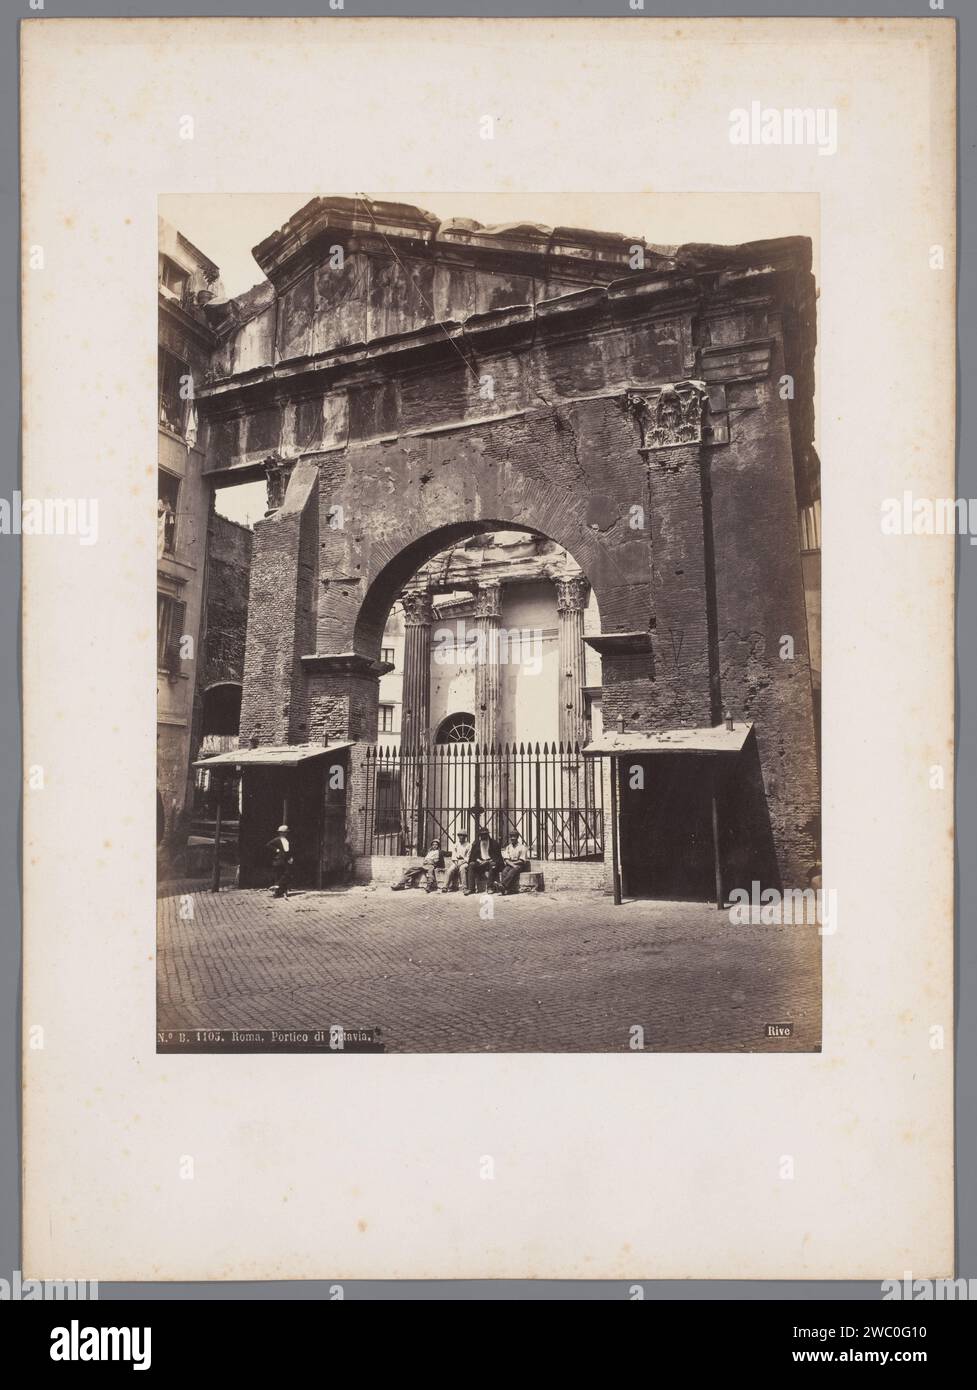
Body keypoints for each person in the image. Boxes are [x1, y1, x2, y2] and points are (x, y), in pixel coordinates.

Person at [464, 826, 503, 895]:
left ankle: (490, 887)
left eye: (485, 835)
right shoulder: (476, 844)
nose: (483, 836)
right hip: (480, 863)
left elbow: (498, 857)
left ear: (488, 835)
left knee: (493, 865)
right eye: (481, 835)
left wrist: (489, 861)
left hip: (490, 863)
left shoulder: (494, 843)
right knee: (471, 865)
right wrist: (479, 861)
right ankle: (471, 888)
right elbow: (472, 857)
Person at [266, 824, 293, 899]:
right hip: (279, 859)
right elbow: (268, 845)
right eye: (282, 832)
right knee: (278, 874)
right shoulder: (277, 839)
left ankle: (280, 887)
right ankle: (277, 892)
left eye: (285, 832)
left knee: (287, 873)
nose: (284, 833)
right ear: (280, 833)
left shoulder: (288, 840)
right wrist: (276, 850)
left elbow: (290, 850)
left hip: (287, 859)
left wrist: (291, 857)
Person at [500, 831, 531, 895]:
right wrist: (512, 865)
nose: (512, 838)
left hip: (520, 865)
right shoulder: (508, 847)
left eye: (514, 837)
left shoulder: (522, 847)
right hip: (511, 864)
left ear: (517, 837)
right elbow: (506, 859)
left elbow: (522, 861)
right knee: (504, 871)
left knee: (513, 871)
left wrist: (513, 864)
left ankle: (503, 885)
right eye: (511, 837)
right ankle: (505, 889)